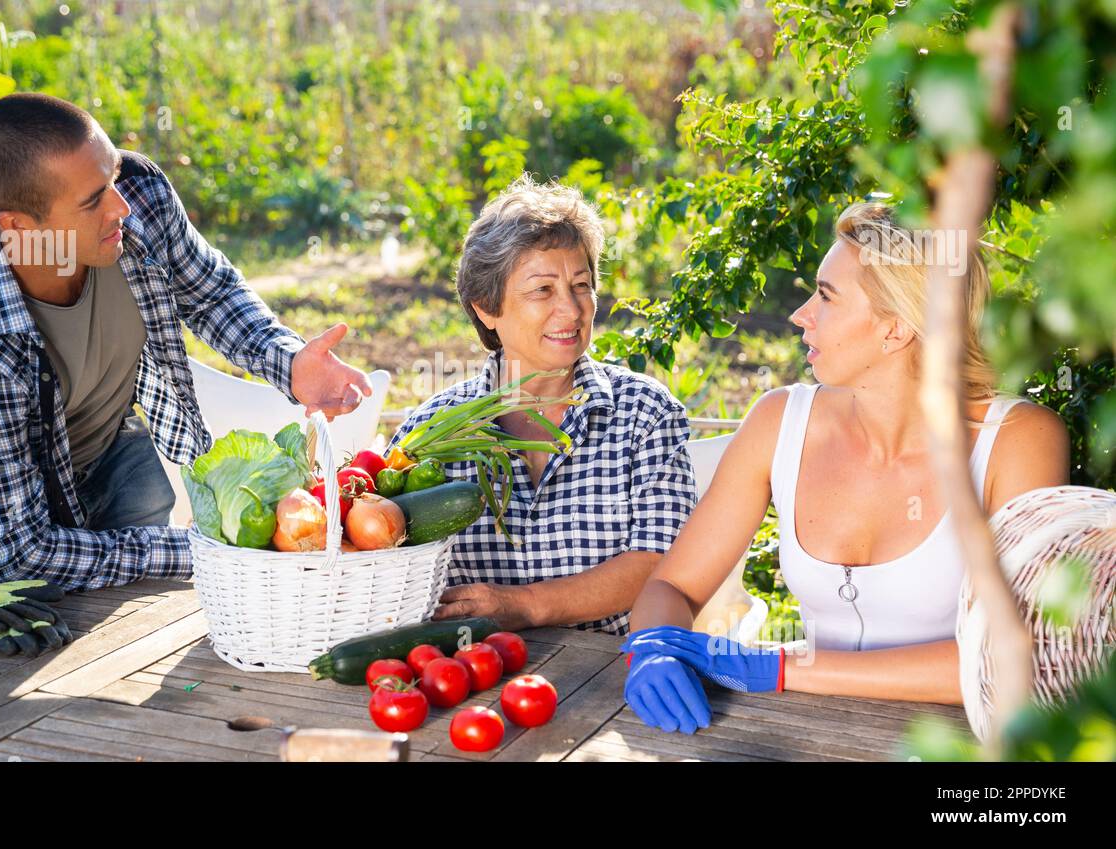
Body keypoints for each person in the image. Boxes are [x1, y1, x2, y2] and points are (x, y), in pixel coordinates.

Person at [620, 202, 1070, 734]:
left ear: (897, 329)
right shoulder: (778, 420)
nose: (800, 313)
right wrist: (655, 651)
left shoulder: (1017, 441)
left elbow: (1016, 660)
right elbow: (671, 587)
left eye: (826, 297)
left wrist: (784, 666)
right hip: (817, 730)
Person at [0, 93, 371, 592]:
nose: (122, 206)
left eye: (111, 176)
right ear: (19, 226)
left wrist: (288, 363)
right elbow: (20, 553)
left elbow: (210, 295)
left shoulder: (141, 197)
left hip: (116, 463)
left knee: (151, 614)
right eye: (92, 200)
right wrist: (207, 549)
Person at [389, 175, 697, 635]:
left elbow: (665, 564)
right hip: (473, 676)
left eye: (581, 285)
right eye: (542, 290)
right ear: (486, 308)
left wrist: (526, 605)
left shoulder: (645, 415)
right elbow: (387, 562)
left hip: (614, 674)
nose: (572, 311)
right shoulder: (428, 434)